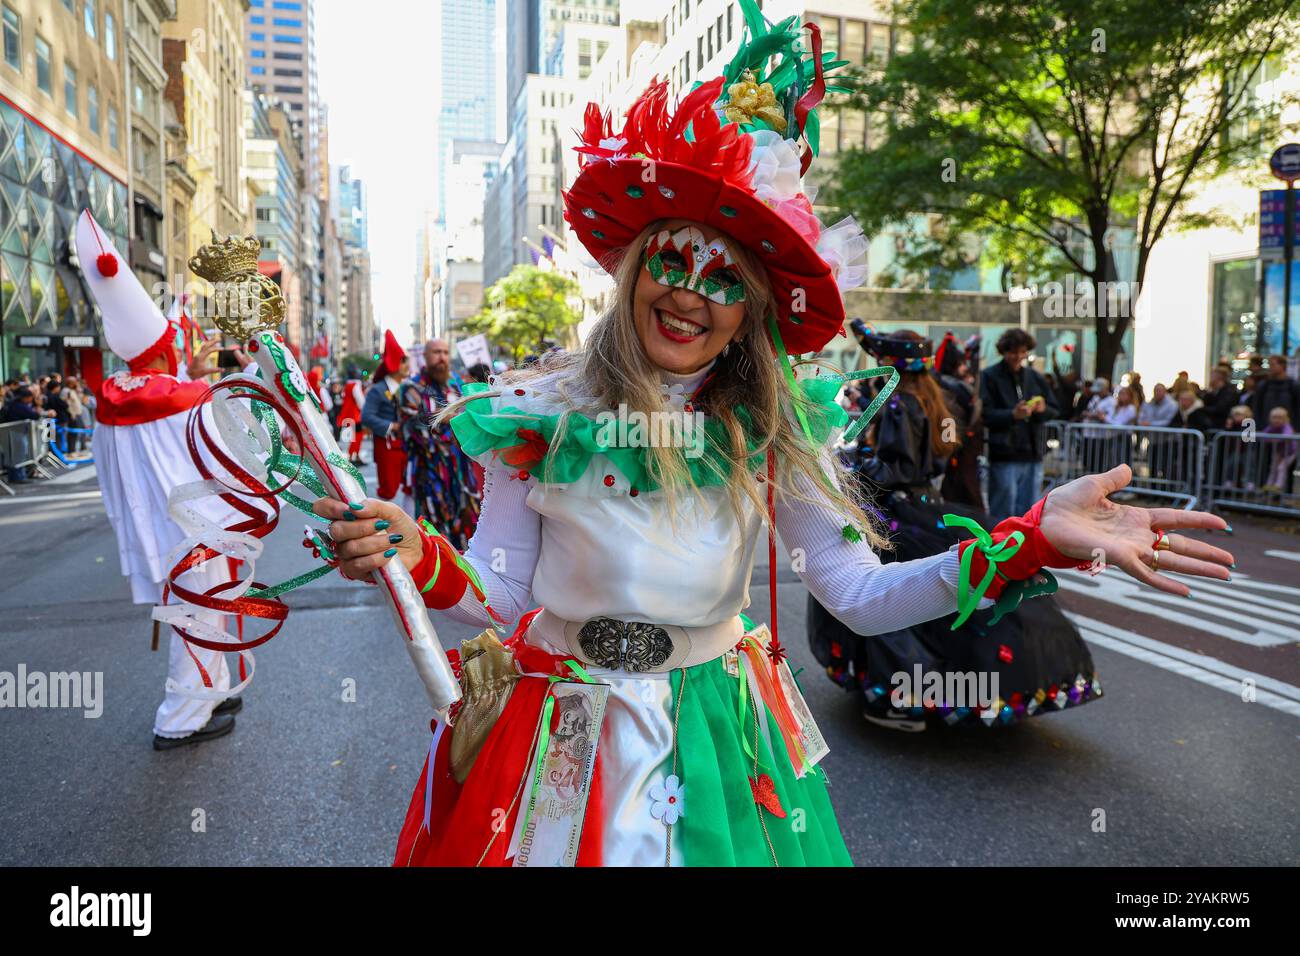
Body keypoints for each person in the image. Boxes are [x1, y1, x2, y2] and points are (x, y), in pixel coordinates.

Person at [312, 38, 1232, 868]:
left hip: (718, 737)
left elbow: (861, 596)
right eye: (672, 261)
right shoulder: (539, 418)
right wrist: (416, 552)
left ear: (751, 311)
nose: (689, 295)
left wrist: (1027, 541)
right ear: (636, 269)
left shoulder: (777, 433)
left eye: (725, 280)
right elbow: (503, 593)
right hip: (562, 730)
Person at [808, 329, 1098, 731]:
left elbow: (897, 470)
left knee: (886, 600)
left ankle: (899, 698)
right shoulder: (938, 399)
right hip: (927, 504)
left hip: (896, 512)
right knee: (938, 598)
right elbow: (937, 463)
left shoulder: (894, 403)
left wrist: (855, 467)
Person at [74, 210, 247, 750]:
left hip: (158, 531)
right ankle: (180, 719)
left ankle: (213, 690)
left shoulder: (112, 404)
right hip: (197, 528)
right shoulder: (187, 398)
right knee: (199, 614)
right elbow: (231, 450)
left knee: (197, 611)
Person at [399, 338, 482, 547]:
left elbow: (469, 417)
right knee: (432, 532)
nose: (442, 357)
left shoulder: (456, 386)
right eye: (436, 352)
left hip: (461, 472)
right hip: (428, 473)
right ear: (425, 357)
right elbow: (413, 421)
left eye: (445, 352)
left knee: (465, 528)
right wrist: (450, 417)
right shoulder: (410, 387)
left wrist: (442, 417)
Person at [980, 328, 1060, 521]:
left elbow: (1054, 409)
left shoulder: (1034, 377)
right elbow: (984, 414)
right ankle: (999, 548)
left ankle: (1025, 549)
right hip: (1004, 453)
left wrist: (1042, 409)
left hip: (1033, 453)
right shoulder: (989, 376)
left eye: (1022, 352)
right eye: (1013, 352)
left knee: (1030, 512)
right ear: (1004, 351)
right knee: (1002, 509)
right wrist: (1012, 415)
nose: (1018, 356)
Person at [932, 330, 983, 508]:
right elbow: (950, 422)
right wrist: (949, 448)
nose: (965, 367)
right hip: (956, 453)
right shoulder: (950, 388)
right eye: (961, 363)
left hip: (961, 452)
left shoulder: (952, 386)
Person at [361, 330, 410, 501]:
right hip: (387, 446)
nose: (407, 365)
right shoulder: (378, 390)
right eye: (403, 361)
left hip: (407, 444)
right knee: (388, 491)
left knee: (411, 487)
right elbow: (366, 416)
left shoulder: (408, 388)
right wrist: (392, 426)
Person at [1249, 355, 1300, 428]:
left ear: (1282, 365)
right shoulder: (1263, 385)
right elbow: (1257, 407)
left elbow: (1298, 409)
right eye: (1269, 365)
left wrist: (1296, 428)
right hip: (1266, 428)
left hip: (1288, 430)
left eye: (1272, 365)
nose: (1270, 368)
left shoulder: (1293, 385)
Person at [1262, 407, 1297, 493]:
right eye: (1274, 418)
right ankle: (1269, 484)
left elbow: (1287, 436)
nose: (1276, 420)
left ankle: (1278, 486)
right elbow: (1263, 435)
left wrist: (1274, 439)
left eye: (1280, 418)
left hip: (1290, 452)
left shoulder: (1287, 426)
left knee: (1281, 468)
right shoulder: (1271, 427)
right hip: (1279, 451)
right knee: (1273, 468)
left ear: (1285, 419)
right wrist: (1271, 439)